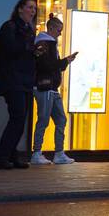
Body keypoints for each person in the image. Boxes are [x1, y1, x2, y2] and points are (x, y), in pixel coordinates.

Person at [0, 0, 38, 170]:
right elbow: (9, 49)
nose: (32, 11)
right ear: (20, 9)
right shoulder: (10, 27)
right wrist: (29, 47)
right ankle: (1, 157)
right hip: (13, 80)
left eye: (34, 8)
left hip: (24, 81)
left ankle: (11, 155)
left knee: (20, 119)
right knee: (17, 118)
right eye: (29, 7)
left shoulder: (28, 30)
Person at [31, 15, 78, 165]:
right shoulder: (44, 43)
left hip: (51, 88)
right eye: (59, 30)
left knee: (61, 119)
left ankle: (59, 153)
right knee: (43, 120)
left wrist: (65, 61)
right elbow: (46, 65)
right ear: (51, 28)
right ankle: (37, 153)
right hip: (45, 87)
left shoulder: (48, 43)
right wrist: (64, 62)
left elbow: (51, 65)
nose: (60, 33)